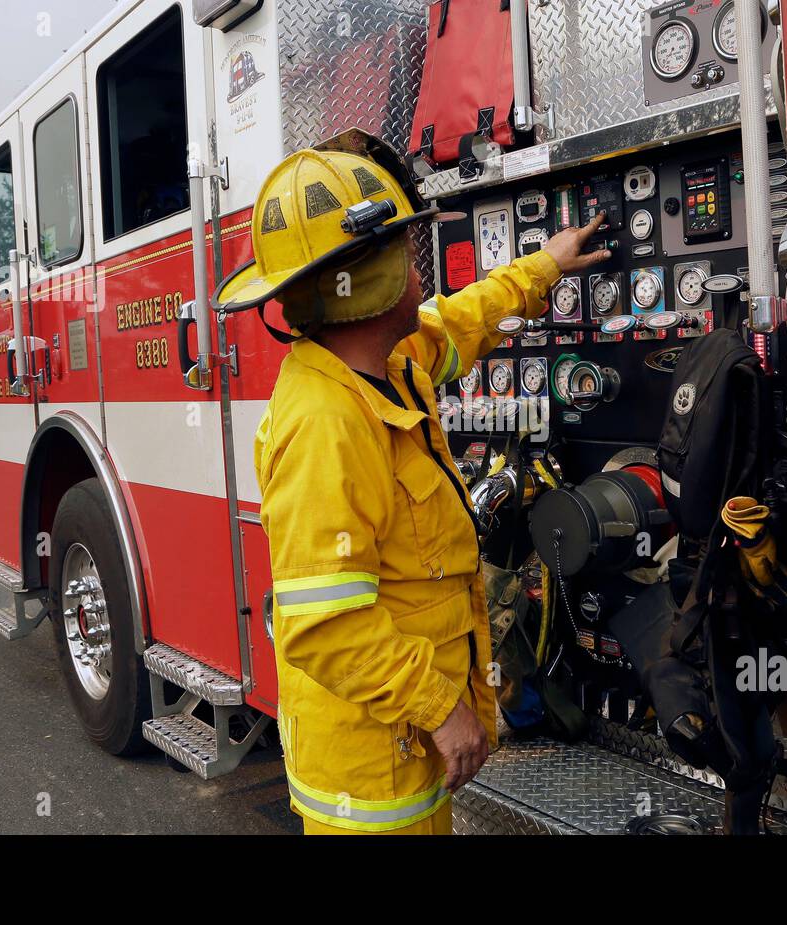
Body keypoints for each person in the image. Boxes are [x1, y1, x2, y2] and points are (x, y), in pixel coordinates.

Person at [216, 129, 609, 834]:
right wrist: (443, 708)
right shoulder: (324, 423)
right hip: (369, 789)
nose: (418, 261)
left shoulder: (388, 360)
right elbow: (324, 624)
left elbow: (460, 320)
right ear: (371, 276)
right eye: (403, 244)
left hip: (407, 759)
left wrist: (543, 268)